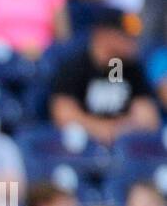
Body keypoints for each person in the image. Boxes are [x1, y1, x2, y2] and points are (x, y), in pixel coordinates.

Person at [50, 8, 161, 146]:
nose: (133, 41)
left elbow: (149, 118)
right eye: (125, 36)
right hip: (83, 147)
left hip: (122, 147)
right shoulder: (76, 65)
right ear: (104, 34)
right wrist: (99, 128)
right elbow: (63, 113)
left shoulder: (130, 68)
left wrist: (117, 129)